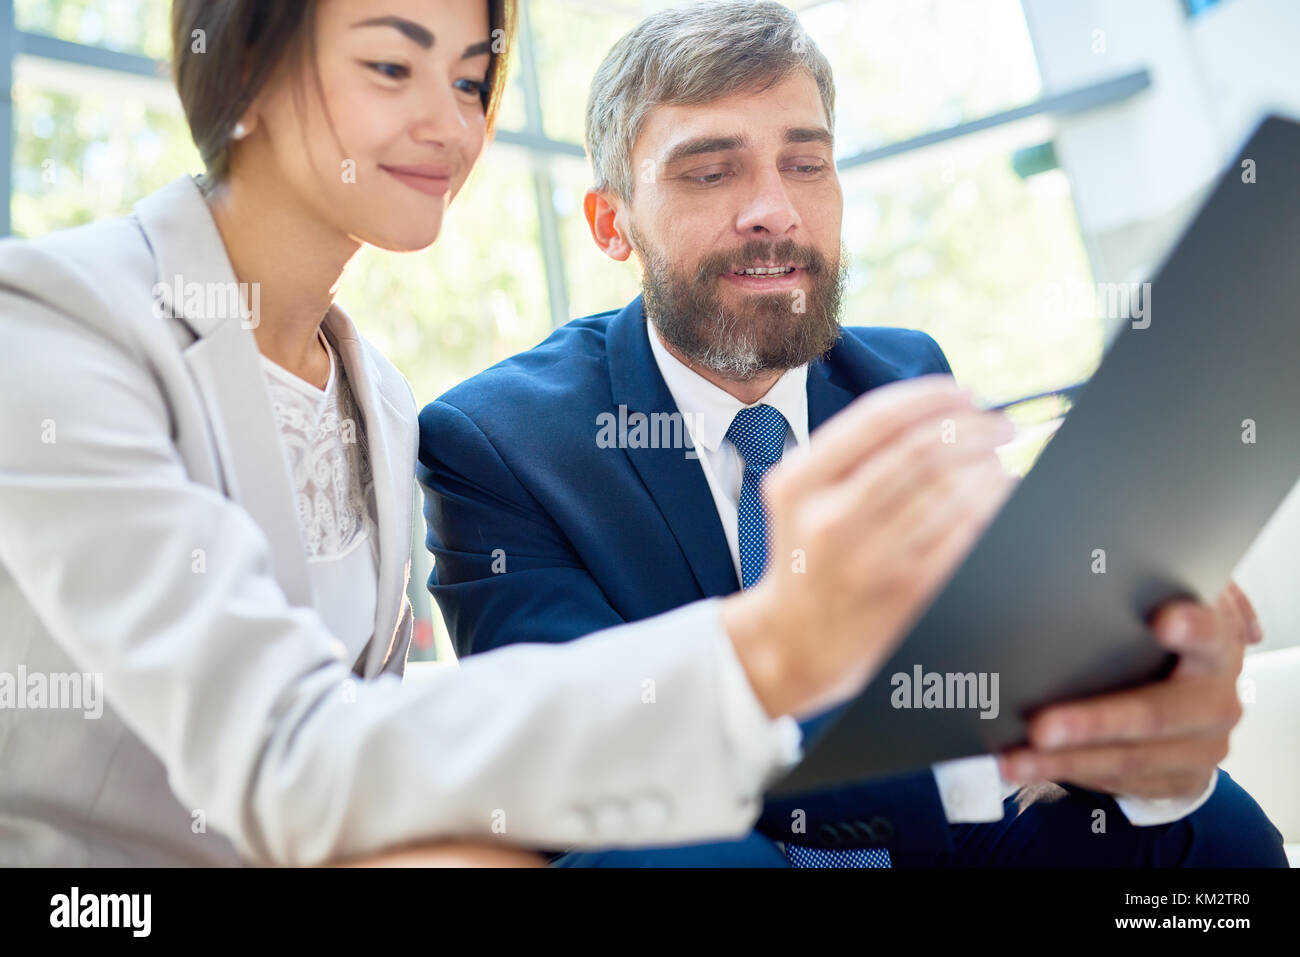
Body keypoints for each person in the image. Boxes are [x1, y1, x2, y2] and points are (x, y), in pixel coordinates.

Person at [0, 0, 1009, 866]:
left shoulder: (381, 403)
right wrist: (764, 650)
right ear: (247, 72)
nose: (447, 122)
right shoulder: (52, 317)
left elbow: (383, 753)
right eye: (392, 66)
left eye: (474, 81)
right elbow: (281, 751)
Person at [416, 0, 1287, 867]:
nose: (774, 210)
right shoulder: (495, 440)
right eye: (711, 172)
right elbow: (585, 756)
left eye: (806, 164)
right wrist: (971, 757)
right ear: (613, 223)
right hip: (696, 842)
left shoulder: (903, 382)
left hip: (930, 841)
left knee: (1214, 836)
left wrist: (1118, 719)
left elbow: (981, 662)